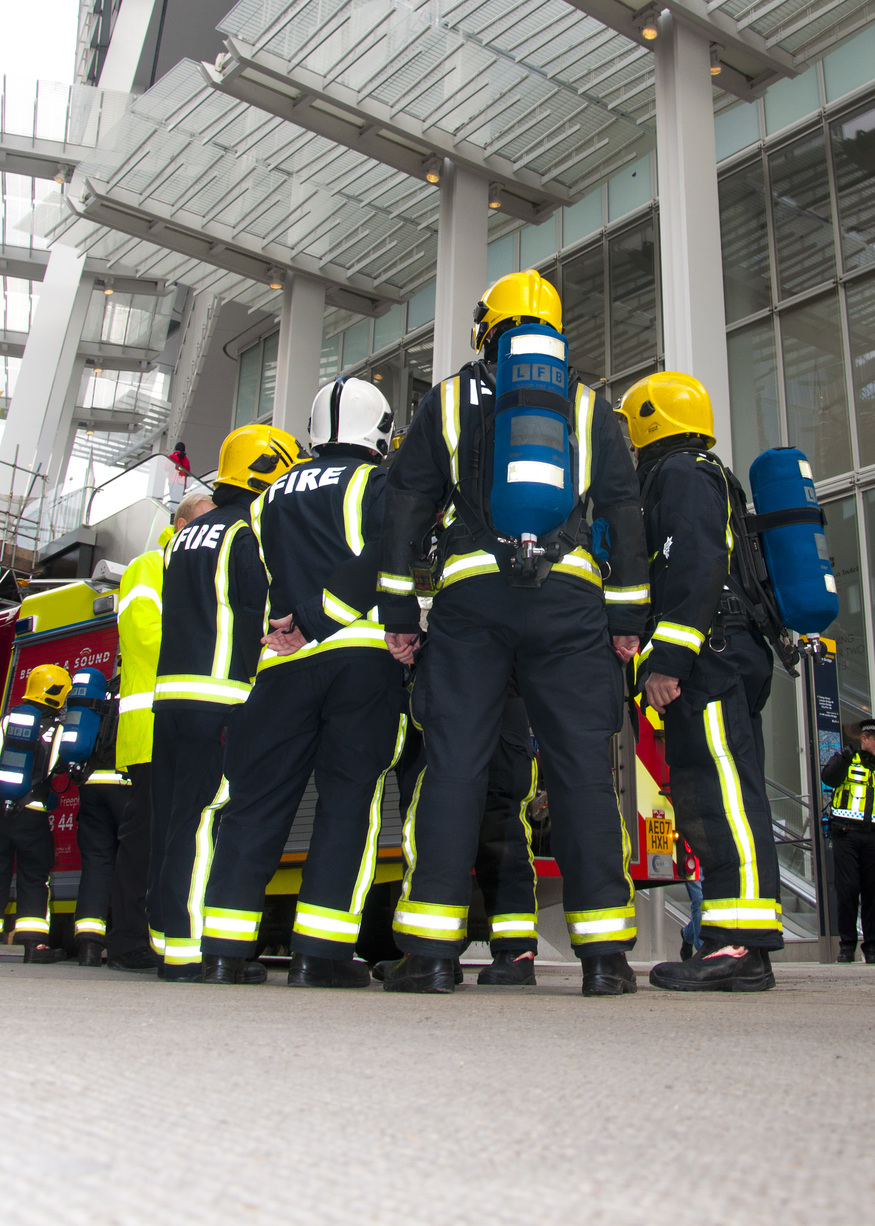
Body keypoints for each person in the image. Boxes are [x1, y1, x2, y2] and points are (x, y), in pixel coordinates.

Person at [375, 269, 650, 995]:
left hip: (470, 602)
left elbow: (404, 505)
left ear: (483, 329)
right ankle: (603, 960)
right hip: (570, 603)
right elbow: (623, 512)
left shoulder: (447, 401)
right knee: (582, 775)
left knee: (454, 769)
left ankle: (432, 956)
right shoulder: (590, 406)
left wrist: (400, 613)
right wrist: (625, 615)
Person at [200, 377, 406, 988]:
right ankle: (321, 955)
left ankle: (223, 951)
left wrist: (287, 626)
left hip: (280, 668)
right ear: (379, 429)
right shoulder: (381, 482)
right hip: (361, 659)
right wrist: (327, 619)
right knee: (348, 804)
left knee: (255, 805)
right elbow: (390, 556)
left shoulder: (265, 500)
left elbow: (251, 582)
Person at [618, 371, 782, 992]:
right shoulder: (697, 471)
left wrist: (669, 659)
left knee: (723, 796)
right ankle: (726, 937)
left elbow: (694, 564)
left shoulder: (681, 474)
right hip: (720, 652)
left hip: (708, 655)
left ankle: (739, 945)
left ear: (648, 420)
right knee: (713, 792)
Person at [149, 426, 301, 981]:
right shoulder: (249, 532)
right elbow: (266, 609)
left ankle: (167, 937)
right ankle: (190, 951)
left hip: (172, 698)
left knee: (174, 819)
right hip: (224, 697)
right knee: (208, 820)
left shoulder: (186, 535)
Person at [93, 492, 215, 973]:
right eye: (199, 521)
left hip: (190, 721)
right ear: (179, 521)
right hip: (151, 726)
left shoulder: (202, 567)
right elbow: (145, 634)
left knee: (179, 837)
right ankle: (126, 941)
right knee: (145, 838)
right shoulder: (151, 565)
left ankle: (169, 935)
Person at [0, 665, 72, 963]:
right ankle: (33, 945)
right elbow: (61, 768)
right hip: (32, 813)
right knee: (33, 876)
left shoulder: (7, 720)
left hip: (0, 808)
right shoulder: (59, 728)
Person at [822, 718, 875, 963]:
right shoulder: (847, 758)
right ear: (865, 739)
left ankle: (872, 947)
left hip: (872, 836)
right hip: (846, 833)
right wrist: (843, 758)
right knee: (848, 890)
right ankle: (847, 946)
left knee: (872, 893)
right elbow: (829, 779)